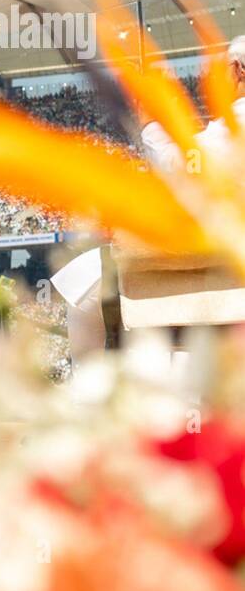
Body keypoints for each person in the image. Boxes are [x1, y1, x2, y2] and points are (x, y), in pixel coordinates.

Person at [53, 35, 245, 361]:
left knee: (83, 283)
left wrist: (149, 126)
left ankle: (89, 387)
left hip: (218, 249)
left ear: (239, 70)